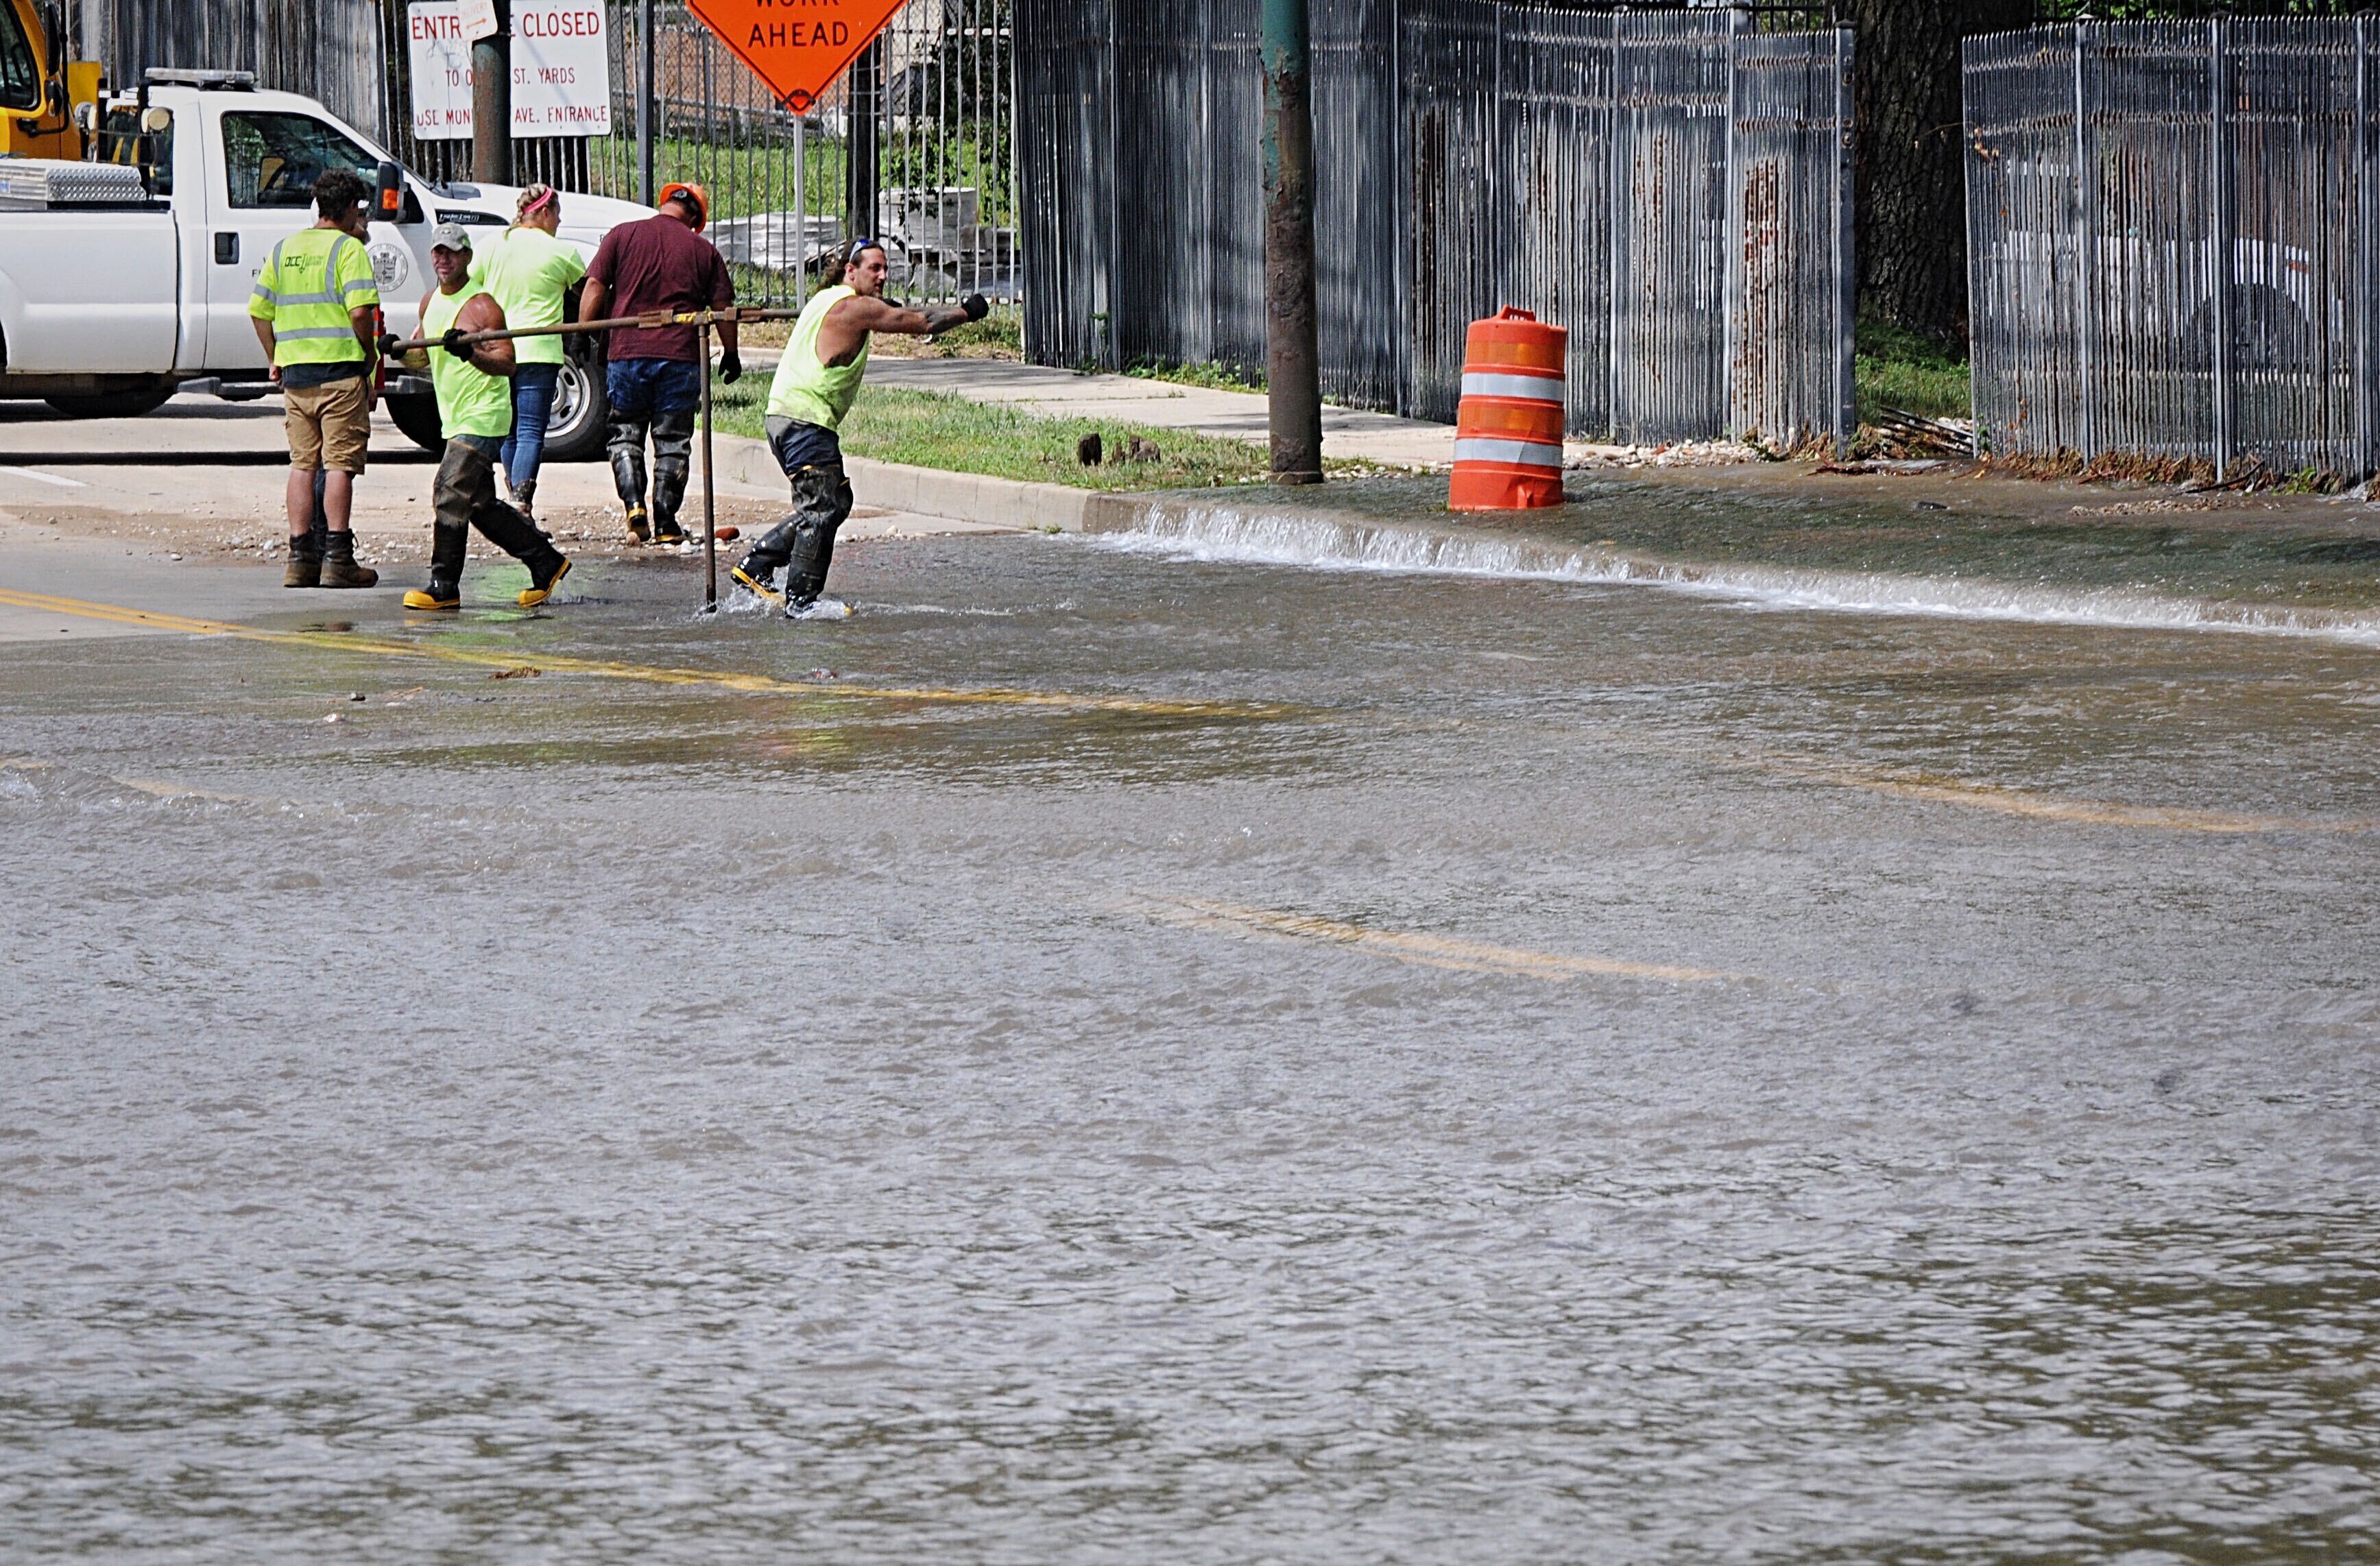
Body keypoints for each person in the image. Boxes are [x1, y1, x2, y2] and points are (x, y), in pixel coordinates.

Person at [732, 241, 985, 616]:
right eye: (874, 269)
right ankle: (801, 603)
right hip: (806, 420)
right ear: (851, 271)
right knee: (820, 509)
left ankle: (757, 566)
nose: (883, 275)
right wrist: (968, 311)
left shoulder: (825, 299)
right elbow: (924, 323)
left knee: (836, 502)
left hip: (785, 417)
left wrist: (889, 308)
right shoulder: (856, 306)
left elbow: (886, 312)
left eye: (886, 269)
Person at [387, 224, 572, 613]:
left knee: (449, 489)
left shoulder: (482, 305)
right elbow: (422, 357)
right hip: (455, 416)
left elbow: (507, 364)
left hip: (484, 416)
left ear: (468, 258)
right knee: (480, 506)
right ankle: (546, 562)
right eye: (438, 252)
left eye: (452, 252)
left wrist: (470, 354)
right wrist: (399, 351)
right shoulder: (430, 302)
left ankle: (443, 585)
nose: (443, 259)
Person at [578, 182, 738, 546]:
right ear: (696, 218)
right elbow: (724, 311)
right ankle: (666, 521)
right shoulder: (704, 251)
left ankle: (634, 506)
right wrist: (731, 353)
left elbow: (595, 287)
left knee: (625, 433)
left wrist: (583, 333)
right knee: (672, 441)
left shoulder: (622, 235)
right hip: (680, 358)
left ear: (664, 202)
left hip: (627, 354)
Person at [250, 167, 381, 590]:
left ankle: (299, 558)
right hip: (340, 372)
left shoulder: (284, 249)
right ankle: (338, 558)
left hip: (297, 376)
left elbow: (259, 311)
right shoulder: (348, 249)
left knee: (303, 465)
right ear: (347, 209)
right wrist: (367, 352)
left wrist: (276, 357)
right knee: (340, 465)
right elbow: (361, 312)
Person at [468, 183, 588, 521]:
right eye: (558, 216)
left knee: (508, 429)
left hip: (498, 350)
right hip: (540, 352)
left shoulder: (491, 246)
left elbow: (469, 290)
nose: (559, 223)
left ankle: (513, 497)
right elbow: (589, 291)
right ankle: (521, 502)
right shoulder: (560, 252)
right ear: (546, 213)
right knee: (532, 431)